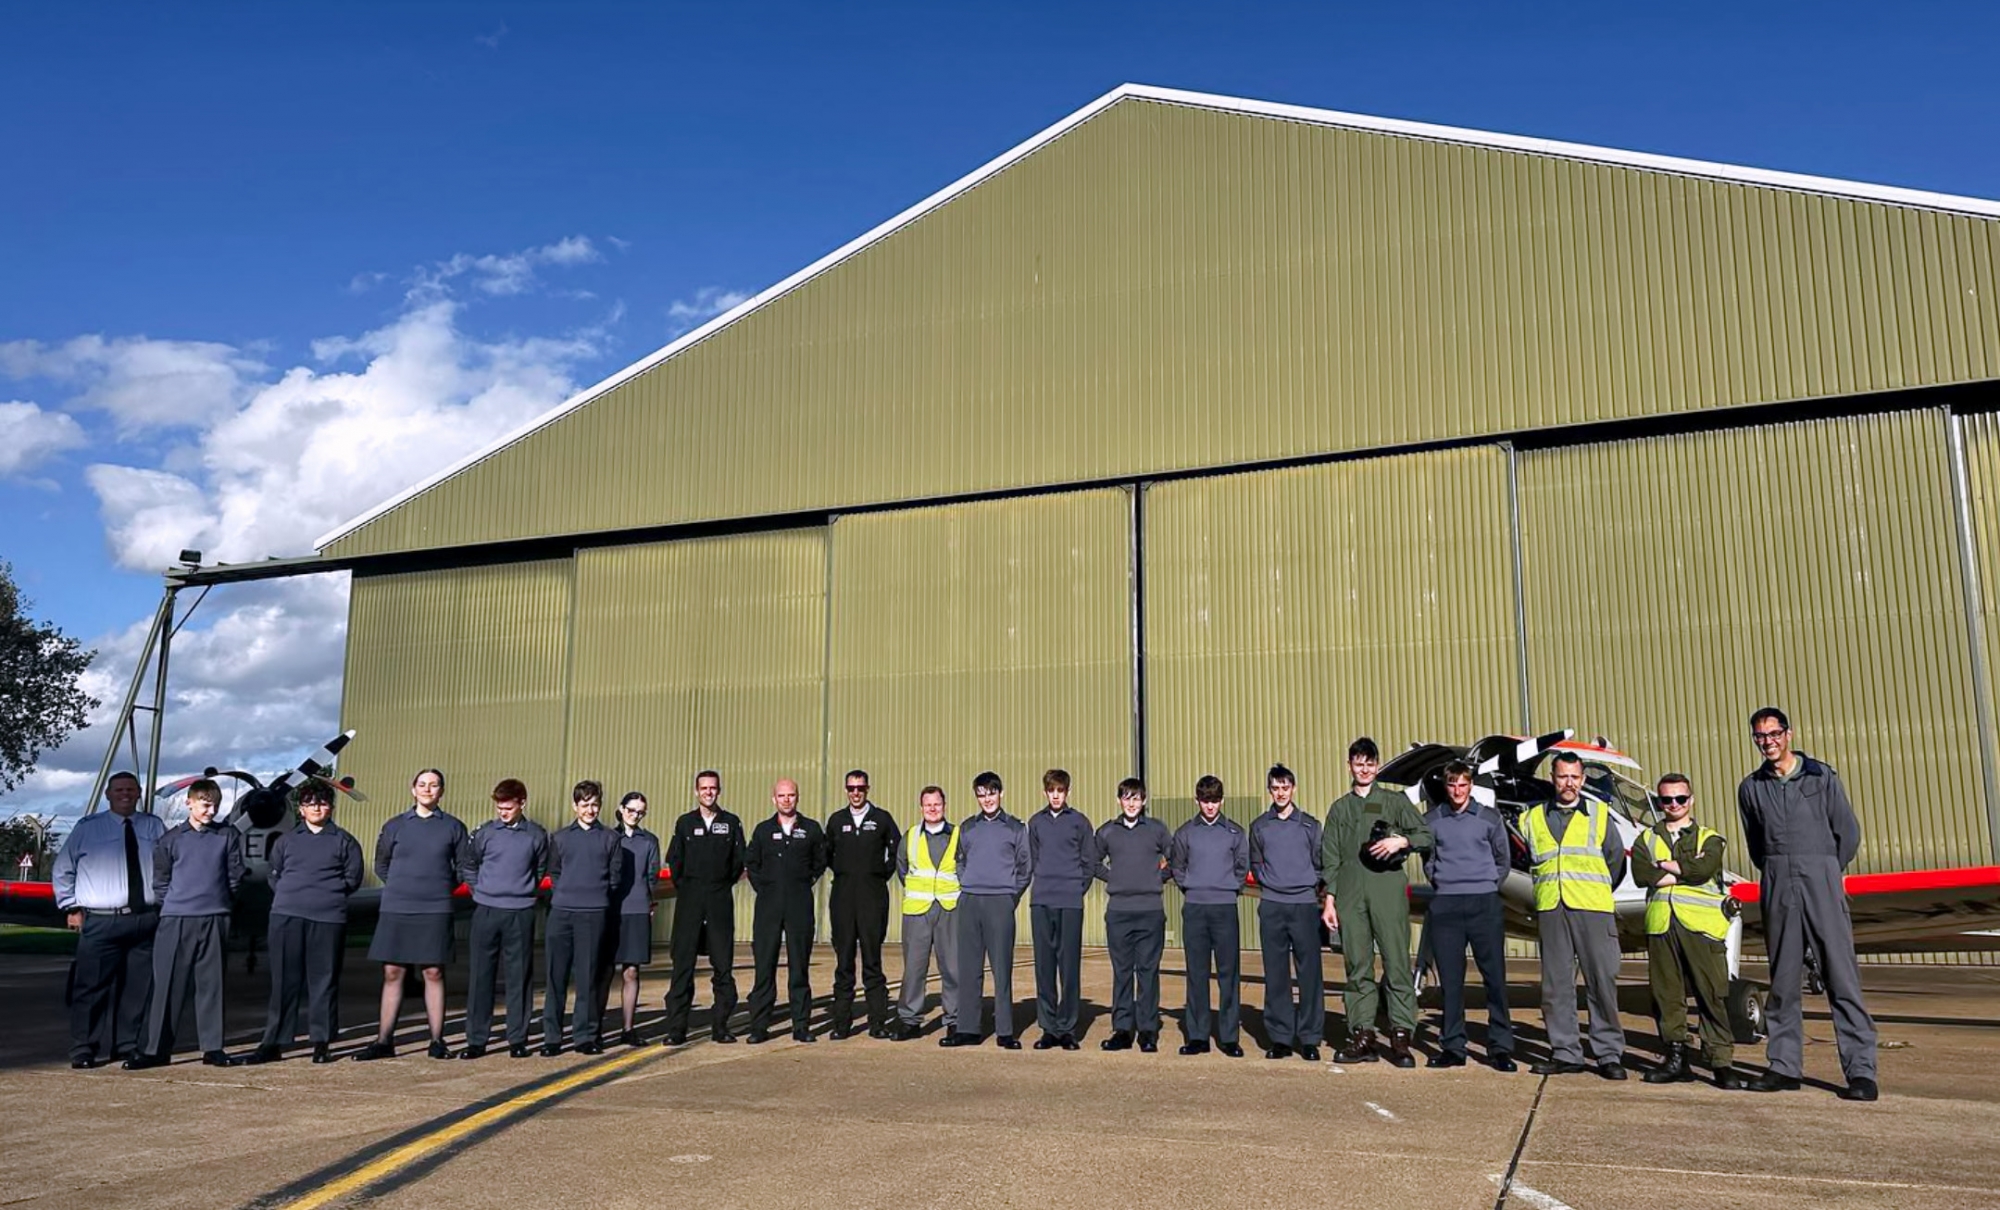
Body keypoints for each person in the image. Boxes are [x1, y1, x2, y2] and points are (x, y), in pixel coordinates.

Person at [1739, 707, 1879, 1100]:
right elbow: (1755, 844)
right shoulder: (1750, 787)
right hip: (1778, 880)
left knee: (1840, 975)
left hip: (1821, 876)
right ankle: (1784, 1066)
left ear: (1788, 734)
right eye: (1760, 736)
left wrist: (1826, 869)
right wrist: (1778, 870)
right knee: (1783, 978)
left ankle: (1861, 1072)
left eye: (1774, 734)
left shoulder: (1821, 776)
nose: (1768, 742)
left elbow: (1847, 832)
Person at [1321, 738, 1432, 1067]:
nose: (1364, 769)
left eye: (1370, 763)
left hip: (1387, 890)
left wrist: (1403, 840)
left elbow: (1426, 835)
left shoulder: (1394, 802)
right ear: (1349, 766)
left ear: (1377, 765)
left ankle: (1400, 1034)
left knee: (1396, 962)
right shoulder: (1340, 809)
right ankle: (1363, 1033)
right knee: (1357, 966)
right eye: (1358, 763)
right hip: (1351, 892)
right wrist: (1330, 900)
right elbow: (1331, 856)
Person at [1631, 773, 1741, 1089]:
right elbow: (1641, 873)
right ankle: (1676, 1057)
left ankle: (1721, 1062)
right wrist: (1681, 869)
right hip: (1662, 925)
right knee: (1667, 995)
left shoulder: (1710, 838)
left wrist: (1666, 867)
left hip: (1701, 927)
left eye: (1680, 798)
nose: (1674, 804)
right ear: (1659, 802)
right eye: (1667, 799)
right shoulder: (1646, 839)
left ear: (1691, 800)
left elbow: (1702, 870)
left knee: (1712, 994)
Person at [243, 780, 364, 1064]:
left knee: (323, 980)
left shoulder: (345, 841)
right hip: (287, 917)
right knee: (284, 980)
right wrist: (291, 896)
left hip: (328, 918)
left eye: (322, 803)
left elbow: (352, 879)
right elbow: (274, 875)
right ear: (301, 809)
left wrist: (325, 896)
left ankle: (321, 1041)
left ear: (331, 807)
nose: (316, 808)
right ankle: (273, 1041)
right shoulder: (285, 841)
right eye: (310, 803)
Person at [1523, 751, 1628, 1079]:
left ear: (1582, 780)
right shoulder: (1532, 818)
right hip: (1553, 908)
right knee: (1556, 986)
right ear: (1553, 779)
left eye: (1574, 777)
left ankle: (1609, 1054)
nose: (1568, 783)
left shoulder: (1599, 815)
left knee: (1602, 981)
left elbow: (1615, 860)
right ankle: (1566, 1051)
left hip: (1592, 908)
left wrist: (1591, 890)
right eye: (1561, 776)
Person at [128, 779, 245, 1068]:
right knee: (167, 985)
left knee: (212, 984)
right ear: (189, 803)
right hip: (176, 919)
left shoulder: (227, 836)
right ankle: (157, 1049)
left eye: (215, 805)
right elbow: (161, 882)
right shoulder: (171, 840)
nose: (211, 810)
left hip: (215, 917)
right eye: (205, 804)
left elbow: (235, 875)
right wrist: (177, 905)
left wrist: (219, 902)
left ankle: (213, 1048)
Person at [355, 768, 469, 1061]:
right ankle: (383, 1041)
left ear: (441, 791)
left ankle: (437, 1040)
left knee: (433, 971)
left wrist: (438, 887)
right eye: (422, 784)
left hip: (435, 906)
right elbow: (381, 864)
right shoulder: (395, 826)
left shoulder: (454, 827)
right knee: (393, 972)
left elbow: (461, 868)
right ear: (412, 789)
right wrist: (401, 886)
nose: (428, 789)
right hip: (397, 906)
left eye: (434, 785)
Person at [54, 771, 165, 1069]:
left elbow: (167, 865)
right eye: (119, 790)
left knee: (138, 988)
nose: (125, 794)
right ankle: (84, 1049)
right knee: (90, 987)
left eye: (130, 789)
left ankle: (127, 1045)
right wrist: (70, 906)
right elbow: (64, 868)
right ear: (108, 794)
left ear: (139, 793)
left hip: (145, 920)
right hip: (102, 921)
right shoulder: (87, 828)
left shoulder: (153, 826)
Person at [1420, 761, 1516, 1071]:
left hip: (1483, 903)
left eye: (1463, 784)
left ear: (1470, 785)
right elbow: (1429, 860)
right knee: (1451, 981)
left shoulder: (1489, 818)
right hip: (1446, 905)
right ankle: (1453, 1046)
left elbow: (1504, 859)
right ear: (1445, 787)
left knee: (1494, 979)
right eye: (1452, 785)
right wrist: (1445, 882)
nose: (1457, 791)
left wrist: (1486, 883)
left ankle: (1500, 1047)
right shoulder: (1432, 820)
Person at [460, 778, 548, 1060]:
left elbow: (541, 869)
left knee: (519, 977)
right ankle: (476, 1039)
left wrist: (523, 893)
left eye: (508, 807)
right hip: (486, 910)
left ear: (522, 802)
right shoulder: (485, 833)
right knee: (480, 976)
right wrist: (480, 892)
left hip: (520, 912)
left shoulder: (536, 835)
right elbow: (469, 864)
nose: (503, 812)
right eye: (499, 807)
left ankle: (517, 1039)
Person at [943, 771, 1030, 1049]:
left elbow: (1025, 868)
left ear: (1000, 794)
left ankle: (1005, 1031)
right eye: (981, 794)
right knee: (969, 968)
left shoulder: (1015, 828)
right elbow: (959, 861)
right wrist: (967, 882)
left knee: (1001, 968)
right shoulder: (967, 827)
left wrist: (1009, 896)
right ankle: (968, 1029)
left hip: (1000, 903)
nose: (987, 799)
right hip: (970, 901)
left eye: (991, 793)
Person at [663, 770, 745, 1045]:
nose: (708, 792)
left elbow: (737, 862)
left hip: (719, 900)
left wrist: (719, 884)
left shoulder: (731, 823)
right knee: (682, 966)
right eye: (704, 788)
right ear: (696, 792)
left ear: (719, 791)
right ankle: (677, 1029)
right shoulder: (685, 824)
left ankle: (720, 1026)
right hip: (690, 901)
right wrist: (689, 888)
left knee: (722, 965)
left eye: (713, 788)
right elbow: (675, 862)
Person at [1251, 763, 1326, 1061]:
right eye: (1275, 788)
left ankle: (1309, 1037)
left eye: (1285, 787)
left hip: (1304, 905)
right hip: (1272, 905)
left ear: (1293, 789)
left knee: (1309, 973)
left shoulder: (1310, 825)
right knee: (1276, 973)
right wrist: (1272, 884)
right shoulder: (1259, 826)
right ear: (1269, 790)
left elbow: (1320, 863)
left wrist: (1308, 888)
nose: (1280, 793)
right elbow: (1256, 864)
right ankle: (1281, 1037)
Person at [744, 778, 827, 1043]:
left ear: (797, 798)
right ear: (774, 799)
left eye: (791, 795)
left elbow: (820, 862)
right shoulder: (763, 830)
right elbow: (751, 863)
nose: (787, 800)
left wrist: (803, 883)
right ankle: (759, 1026)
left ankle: (801, 1026)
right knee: (764, 966)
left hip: (799, 905)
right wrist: (766, 888)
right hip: (768, 906)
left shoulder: (811, 829)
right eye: (782, 796)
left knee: (799, 967)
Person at [1170, 775, 1248, 1057]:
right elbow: (1177, 867)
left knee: (1228, 974)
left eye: (1215, 800)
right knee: (1197, 973)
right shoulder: (1185, 833)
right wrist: (1192, 886)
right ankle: (1198, 1036)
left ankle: (1228, 1037)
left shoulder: (1235, 833)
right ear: (1197, 801)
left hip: (1225, 909)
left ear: (1222, 800)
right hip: (1195, 909)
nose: (1210, 806)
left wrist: (1228, 888)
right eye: (1205, 800)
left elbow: (1242, 868)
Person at [543, 780, 622, 1055]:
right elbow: (554, 872)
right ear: (575, 806)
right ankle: (552, 1038)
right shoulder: (561, 838)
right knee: (556, 977)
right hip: (562, 913)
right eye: (585, 804)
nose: (590, 809)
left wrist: (594, 897)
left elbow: (614, 878)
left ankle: (584, 1037)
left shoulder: (611, 838)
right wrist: (566, 894)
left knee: (588, 977)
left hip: (594, 914)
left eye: (595, 804)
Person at [1093, 777, 1171, 1053]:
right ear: (1119, 801)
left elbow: (1175, 859)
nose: (1132, 803)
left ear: (1144, 800)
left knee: (1148, 972)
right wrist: (1112, 877)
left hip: (1150, 911)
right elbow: (1092, 861)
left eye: (1136, 798)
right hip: (1119, 913)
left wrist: (1156, 878)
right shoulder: (1107, 832)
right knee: (1122, 972)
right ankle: (1123, 1029)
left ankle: (1148, 1030)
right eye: (1127, 798)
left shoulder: (1157, 830)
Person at [824, 769, 900, 1039]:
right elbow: (827, 855)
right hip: (843, 898)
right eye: (851, 788)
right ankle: (841, 1023)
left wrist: (879, 874)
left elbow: (896, 851)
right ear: (846, 790)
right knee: (844, 961)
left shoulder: (881, 819)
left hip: (872, 897)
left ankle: (878, 1022)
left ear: (868, 789)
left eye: (860, 788)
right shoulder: (836, 821)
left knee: (872, 960)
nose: (856, 793)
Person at [1028, 768, 1094, 1050]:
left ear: (1068, 792)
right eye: (1051, 791)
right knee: (1044, 967)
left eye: (1061, 791)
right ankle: (1048, 1028)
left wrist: (1076, 889)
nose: (1056, 795)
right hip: (1042, 901)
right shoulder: (1036, 822)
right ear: (1045, 792)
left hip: (1069, 902)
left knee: (1069, 967)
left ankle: (1067, 1029)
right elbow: (1031, 859)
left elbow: (1089, 862)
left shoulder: (1079, 822)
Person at [896, 786, 961, 1040]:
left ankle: (955, 1019)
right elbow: (902, 869)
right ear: (921, 807)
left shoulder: (958, 835)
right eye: (928, 804)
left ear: (944, 805)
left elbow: (964, 867)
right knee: (914, 968)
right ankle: (909, 1021)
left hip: (949, 909)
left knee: (953, 968)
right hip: (918, 911)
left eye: (937, 804)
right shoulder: (910, 836)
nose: (933, 809)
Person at [606, 792, 662, 1047]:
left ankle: (628, 1028)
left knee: (631, 971)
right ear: (621, 809)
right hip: (610, 910)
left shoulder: (649, 841)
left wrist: (649, 903)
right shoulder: (607, 837)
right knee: (604, 971)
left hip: (637, 909)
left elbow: (652, 876)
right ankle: (593, 1029)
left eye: (640, 812)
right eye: (631, 809)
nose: (635, 815)